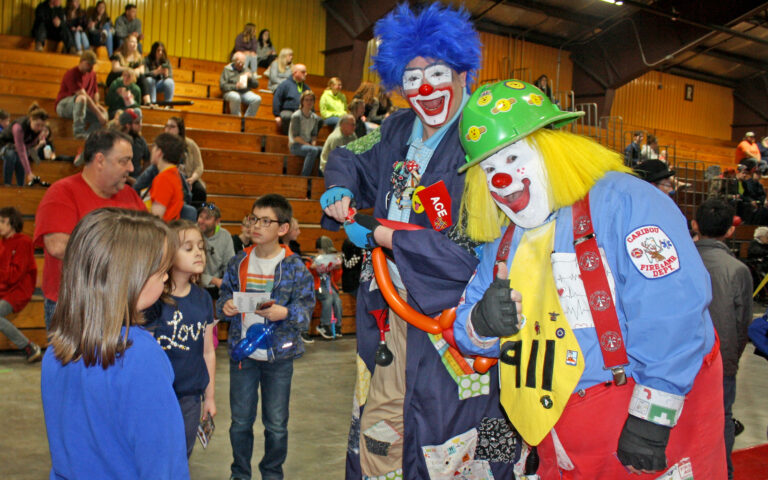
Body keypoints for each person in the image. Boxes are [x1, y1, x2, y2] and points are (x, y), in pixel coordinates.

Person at [452, 79, 726, 478]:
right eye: (489, 168)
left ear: (551, 148)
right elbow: (464, 327)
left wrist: (653, 415)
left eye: (513, 159)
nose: (500, 179)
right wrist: (481, 321)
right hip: (552, 433)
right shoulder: (501, 238)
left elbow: (672, 308)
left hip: (631, 416)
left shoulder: (626, 200)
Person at [321, 5, 518, 479]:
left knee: (477, 427)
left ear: (463, 72)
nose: (424, 88)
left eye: (436, 73)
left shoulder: (483, 141)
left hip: (464, 315)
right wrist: (340, 187)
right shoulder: (395, 129)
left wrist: (386, 235)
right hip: (389, 309)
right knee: (382, 420)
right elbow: (351, 153)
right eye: (411, 78)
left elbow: (474, 248)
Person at [41, 208, 189, 479]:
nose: (167, 277)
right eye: (160, 271)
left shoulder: (55, 351)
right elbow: (163, 461)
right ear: (130, 277)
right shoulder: (141, 356)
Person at [217, 193, 314, 480]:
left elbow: (306, 311)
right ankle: (240, 473)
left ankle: (272, 473)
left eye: (265, 221)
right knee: (240, 423)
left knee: (276, 425)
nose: (256, 226)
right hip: (243, 355)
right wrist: (225, 307)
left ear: (283, 229)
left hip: (279, 358)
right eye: (253, 219)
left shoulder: (295, 267)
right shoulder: (238, 262)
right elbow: (222, 299)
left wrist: (286, 313)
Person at [33, 130, 145, 330]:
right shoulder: (62, 192)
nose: (131, 167)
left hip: (123, 306)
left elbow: (151, 242)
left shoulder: (130, 196)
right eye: (124, 161)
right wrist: (123, 252)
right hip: (75, 307)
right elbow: (58, 246)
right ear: (100, 160)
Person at [144, 219, 217, 458]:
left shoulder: (204, 299)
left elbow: (207, 351)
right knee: (156, 453)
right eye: (188, 248)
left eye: (200, 247)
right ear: (167, 255)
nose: (198, 253)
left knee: (182, 454)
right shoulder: (154, 300)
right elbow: (144, 354)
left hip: (190, 397)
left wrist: (210, 396)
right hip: (158, 394)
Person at [693, 198, 752, 480]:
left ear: (695, 225)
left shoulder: (682, 259)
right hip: (721, 358)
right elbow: (743, 325)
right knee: (722, 418)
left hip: (681, 357)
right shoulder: (738, 270)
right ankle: (722, 473)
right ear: (730, 231)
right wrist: (732, 358)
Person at [0, 207, 41, 362]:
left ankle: (28, 346)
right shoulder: (2, 243)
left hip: (19, 291)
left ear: (13, 223)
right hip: (4, 290)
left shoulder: (23, 242)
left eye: (3, 221)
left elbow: (14, 275)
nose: (0, 225)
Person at [55, 50, 107, 139]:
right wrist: (98, 113)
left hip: (83, 105)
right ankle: (78, 132)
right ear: (82, 61)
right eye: (88, 64)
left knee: (104, 114)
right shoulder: (71, 73)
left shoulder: (92, 74)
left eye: (92, 65)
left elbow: (95, 92)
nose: (90, 68)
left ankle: (90, 136)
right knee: (82, 98)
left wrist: (98, 105)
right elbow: (83, 95)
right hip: (64, 105)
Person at [0, 103, 47, 186]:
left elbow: (30, 147)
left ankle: (21, 186)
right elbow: (21, 150)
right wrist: (29, 172)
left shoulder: (38, 130)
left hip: (16, 148)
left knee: (19, 158)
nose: (39, 128)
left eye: (42, 125)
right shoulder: (19, 127)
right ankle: (7, 184)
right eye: (37, 125)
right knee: (11, 155)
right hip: (4, 145)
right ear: (31, 119)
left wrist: (36, 157)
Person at [165, 116, 206, 206]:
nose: (168, 129)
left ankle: (197, 217)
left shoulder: (190, 144)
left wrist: (192, 179)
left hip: (189, 178)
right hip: (170, 178)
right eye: (166, 126)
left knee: (200, 191)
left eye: (172, 127)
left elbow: (199, 166)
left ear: (180, 129)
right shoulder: (162, 145)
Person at [197, 202, 234, 302]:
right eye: (201, 216)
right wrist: (213, 280)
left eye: (207, 218)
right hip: (195, 283)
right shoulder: (193, 232)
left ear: (217, 221)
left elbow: (230, 264)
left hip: (216, 286)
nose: (202, 221)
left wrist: (226, 282)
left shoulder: (225, 235)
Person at [146, 132, 185, 222]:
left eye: (153, 147)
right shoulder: (174, 174)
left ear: (159, 152)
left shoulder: (164, 179)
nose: (151, 150)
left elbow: (156, 218)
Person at [312, 236, 342, 339]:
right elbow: (309, 274)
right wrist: (314, 268)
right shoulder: (314, 260)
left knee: (337, 300)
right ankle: (323, 325)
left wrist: (336, 268)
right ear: (318, 250)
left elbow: (336, 278)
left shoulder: (332, 259)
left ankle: (338, 326)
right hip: (318, 285)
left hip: (329, 284)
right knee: (328, 298)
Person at [289, 90, 322, 177]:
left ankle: (320, 177)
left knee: (323, 150)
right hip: (296, 145)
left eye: (311, 100)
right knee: (313, 150)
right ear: (302, 101)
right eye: (306, 100)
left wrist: (313, 144)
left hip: (307, 144)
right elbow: (295, 137)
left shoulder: (315, 117)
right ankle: (304, 177)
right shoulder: (296, 116)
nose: (309, 102)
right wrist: (309, 145)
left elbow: (314, 135)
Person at [220, 52, 262, 117]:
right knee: (236, 97)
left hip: (244, 92)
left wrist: (251, 78)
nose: (240, 65)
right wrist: (235, 86)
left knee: (257, 99)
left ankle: (247, 119)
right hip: (230, 92)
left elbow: (256, 85)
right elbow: (222, 86)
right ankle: (237, 119)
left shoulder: (247, 69)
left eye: (242, 63)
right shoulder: (227, 69)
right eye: (239, 62)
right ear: (234, 61)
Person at [273, 64, 309, 135]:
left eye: (305, 72)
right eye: (303, 72)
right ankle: (289, 138)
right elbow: (277, 99)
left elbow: (311, 102)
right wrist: (277, 115)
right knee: (287, 116)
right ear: (295, 73)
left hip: (302, 112)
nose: (306, 74)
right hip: (288, 111)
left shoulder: (306, 88)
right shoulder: (285, 85)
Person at [116, 108, 150, 179]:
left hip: (136, 178)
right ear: (128, 125)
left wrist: (141, 177)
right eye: (137, 123)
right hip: (117, 178)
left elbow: (147, 160)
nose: (140, 125)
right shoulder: (116, 140)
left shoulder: (141, 141)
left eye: (140, 122)